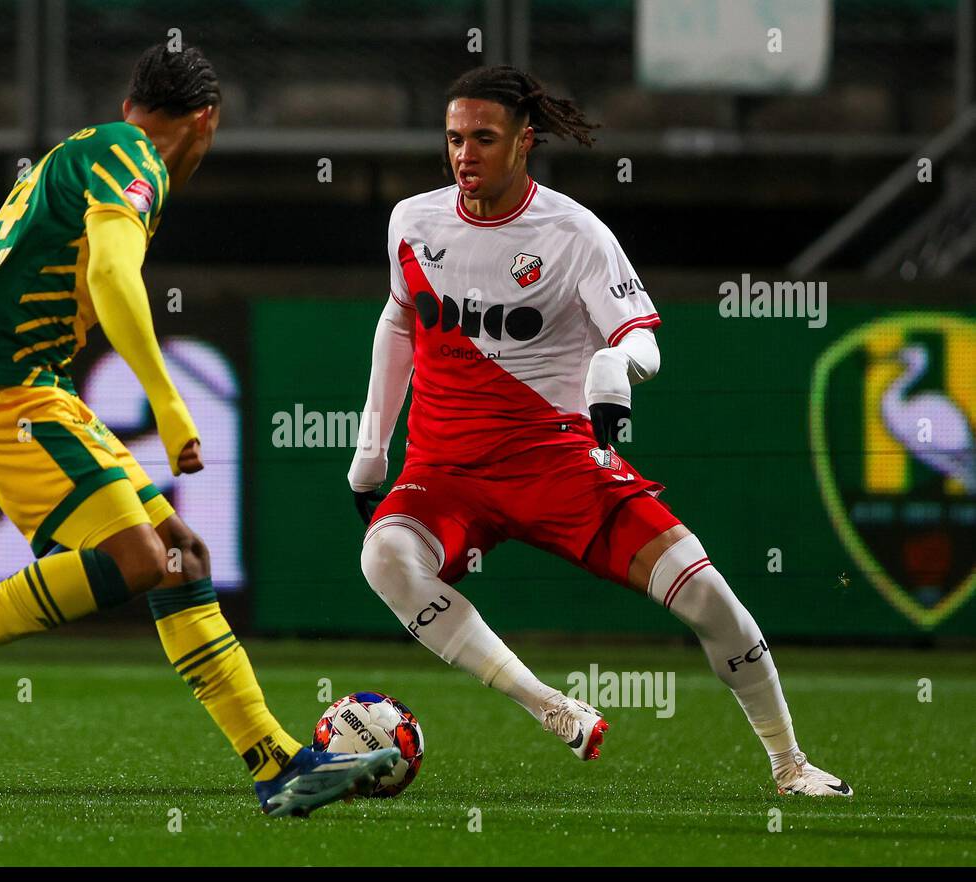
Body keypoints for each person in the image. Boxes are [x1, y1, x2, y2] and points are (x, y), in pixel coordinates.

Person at [0, 42, 396, 817]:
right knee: (135, 559)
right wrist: (166, 402)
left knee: (179, 558)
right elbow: (110, 274)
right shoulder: (132, 162)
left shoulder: (61, 162)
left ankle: (276, 765)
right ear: (205, 121)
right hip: (7, 397)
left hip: (32, 392)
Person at [348, 65, 850, 797]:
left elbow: (643, 339)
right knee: (385, 560)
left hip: (559, 464)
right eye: (454, 138)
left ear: (525, 142)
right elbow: (399, 320)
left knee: (711, 599)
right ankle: (547, 704)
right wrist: (371, 448)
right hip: (446, 469)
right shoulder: (412, 222)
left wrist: (615, 369)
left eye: (484, 138)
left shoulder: (575, 234)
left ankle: (790, 764)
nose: (465, 155)